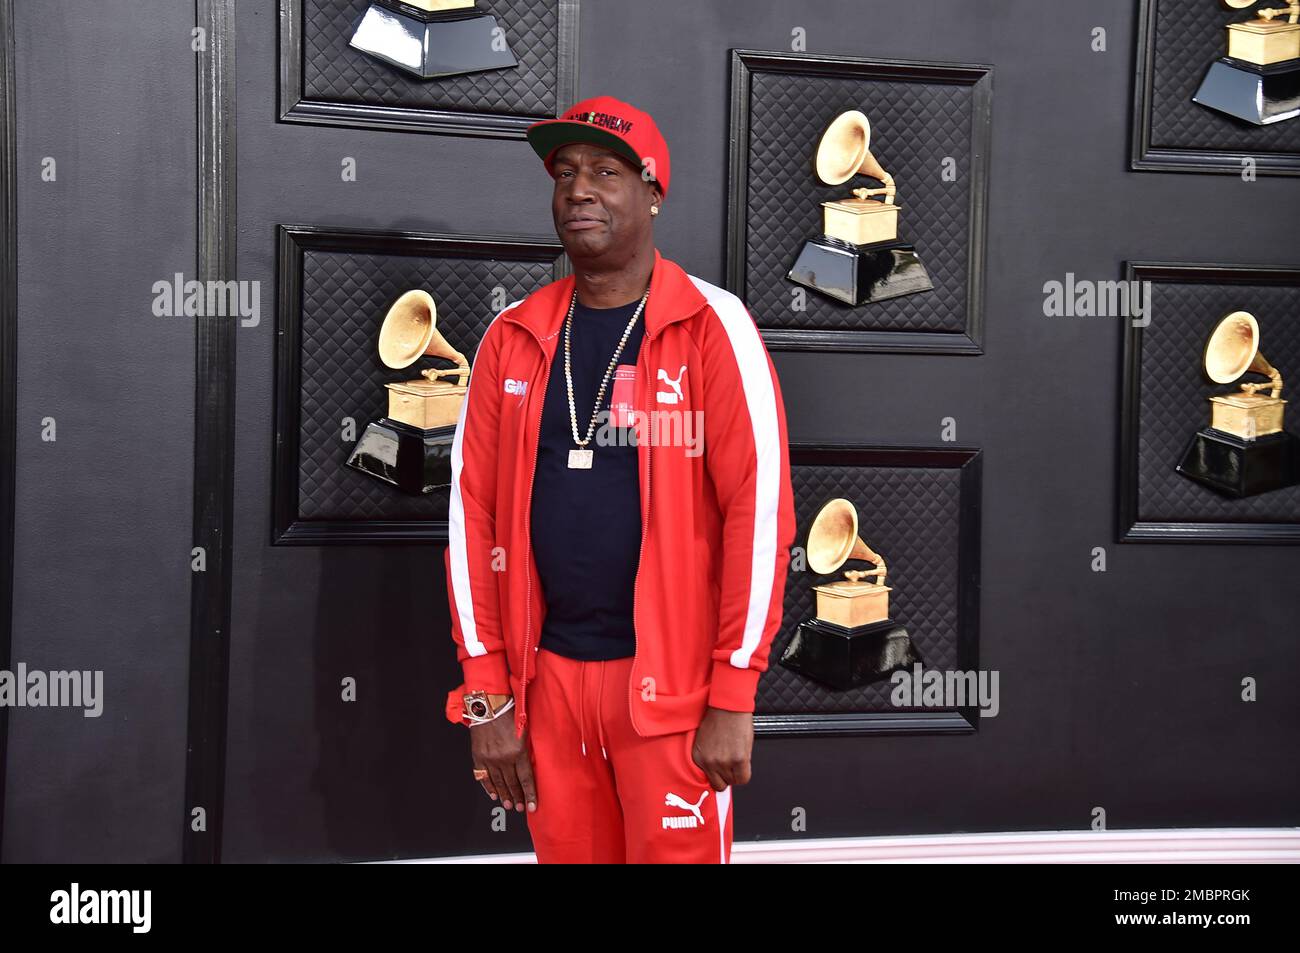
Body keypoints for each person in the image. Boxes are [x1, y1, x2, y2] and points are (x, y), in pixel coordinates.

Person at [442, 94, 796, 863]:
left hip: (670, 691)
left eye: (606, 171)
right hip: (545, 686)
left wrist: (734, 690)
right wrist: (486, 694)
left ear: (653, 191)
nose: (579, 189)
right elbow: (470, 520)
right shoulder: (513, 335)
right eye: (565, 173)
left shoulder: (713, 326)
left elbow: (758, 513)